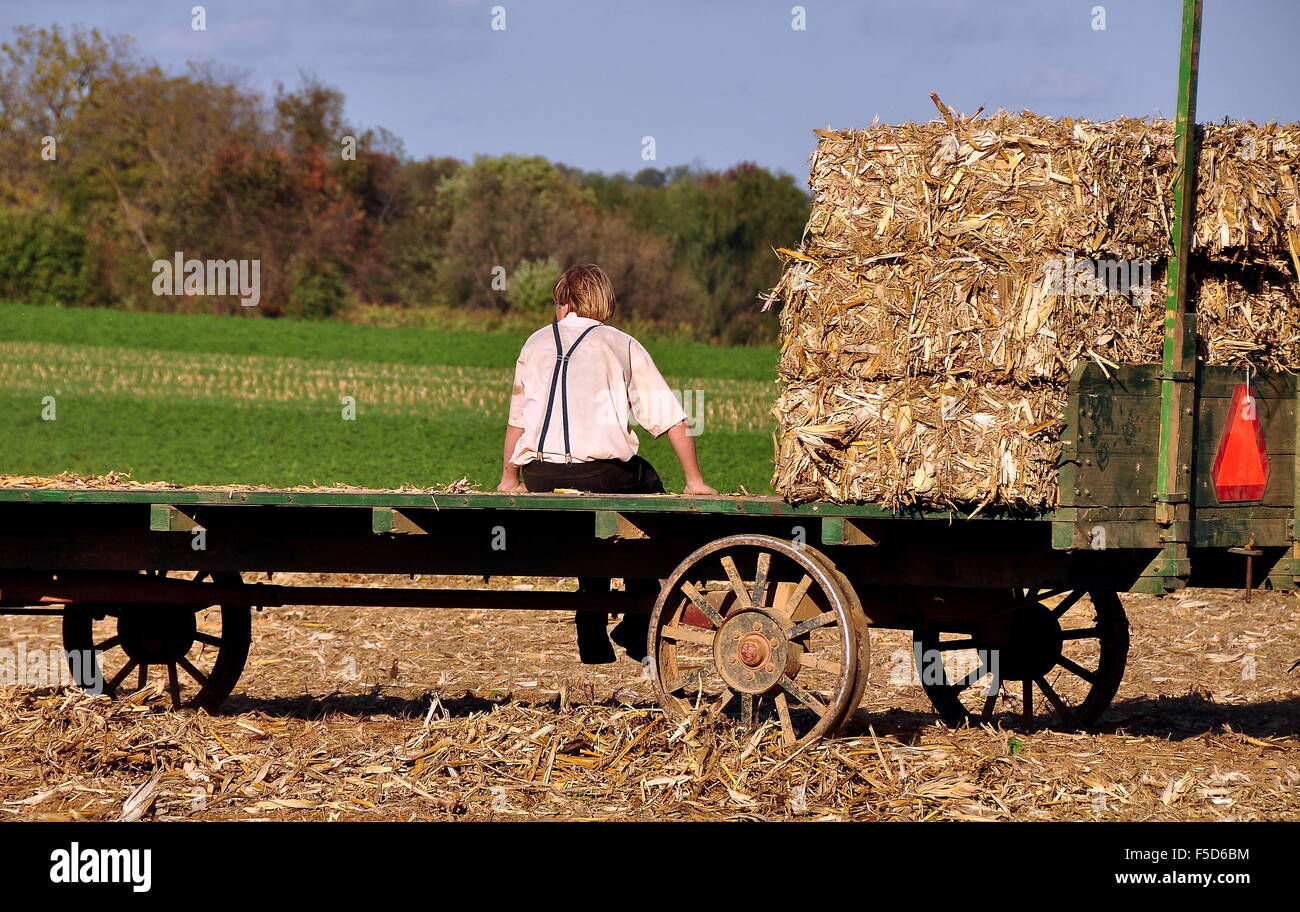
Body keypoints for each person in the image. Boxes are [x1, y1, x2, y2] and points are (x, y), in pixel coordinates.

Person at [498, 264, 717, 664]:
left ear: (565, 302)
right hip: (601, 473)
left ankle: (591, 620)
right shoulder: (619, 343)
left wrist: (509, 478)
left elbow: (518, 420)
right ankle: (636, 617)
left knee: (587, 522)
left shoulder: (534, 343)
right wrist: (694, 480)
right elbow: (669, 416)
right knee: (643, 492)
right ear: (600, 301)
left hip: (541, 475)